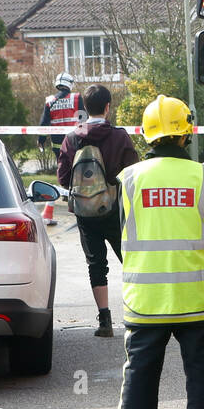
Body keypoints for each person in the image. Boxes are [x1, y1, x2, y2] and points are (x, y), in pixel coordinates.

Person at [113, 95, 204, 409]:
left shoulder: (129, 179)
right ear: (187, 133)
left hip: (146, 300)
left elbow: (123, 235)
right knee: (203, 373)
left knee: (141, 374)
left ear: (147, 135)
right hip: (198, 297)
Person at [57, 85, 139, 337]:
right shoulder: (120, 136)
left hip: (85, 213)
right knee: (131, 260)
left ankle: (104, 321)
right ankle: (136, 313)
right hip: (115, 210)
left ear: (85, 107)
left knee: (96, 263)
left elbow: (63, 179)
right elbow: (133, 172)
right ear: (107, 107)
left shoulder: (71, 138)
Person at [39, 72, 86, 151]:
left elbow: (44, 123)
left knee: (60, 163)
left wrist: (41, 140)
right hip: (74, 143)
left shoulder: (50, 101)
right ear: (70, 84)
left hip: (58, 146)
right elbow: (84, 119)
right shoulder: (76, 98)